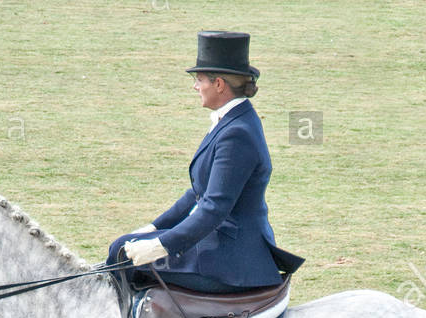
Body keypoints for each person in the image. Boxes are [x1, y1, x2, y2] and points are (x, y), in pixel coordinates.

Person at [109, 31, 303, 293]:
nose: (195, 86)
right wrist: (154, 227)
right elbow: (198, 192)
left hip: (229, 259)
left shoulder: (237, 134)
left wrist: (160, 245)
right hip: (217, 243)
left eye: (199, 80)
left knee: (121, 257)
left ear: (219, 84)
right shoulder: (231, 120)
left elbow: (213, 207)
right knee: (123, 246)